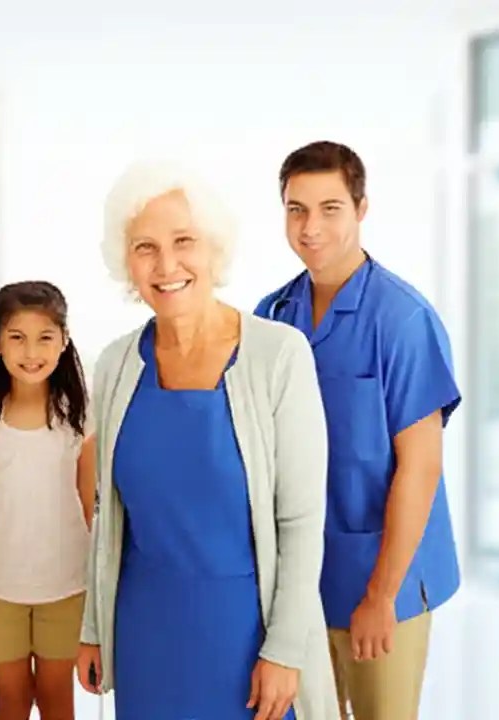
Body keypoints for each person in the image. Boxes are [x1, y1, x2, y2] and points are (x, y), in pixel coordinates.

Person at [76, 160, 339, 720]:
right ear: (126, 262)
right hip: (145, 632)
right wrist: (95, 626)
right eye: (145, 247)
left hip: (245, 635)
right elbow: (109, 515)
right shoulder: (117, 362)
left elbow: (300, 520)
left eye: (184, 241)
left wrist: (287, 649)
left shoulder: (279, 354)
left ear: (214, 248)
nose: (166, 264)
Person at [255, 141, 463, 720]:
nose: (311, 227)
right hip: (301, 583)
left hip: (383, 576)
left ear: (361, 208)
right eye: (296, 209)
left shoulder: (402, 320)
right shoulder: (272, 315)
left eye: (330, 208)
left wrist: (381, 597)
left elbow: (421, 468)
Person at [0, 281, 96, 720]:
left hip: (66, 585)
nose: (32, 351)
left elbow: (89, 504)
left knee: (55, 698)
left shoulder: (80, 418)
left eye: (45, 337)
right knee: (11, 699)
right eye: (17, 337)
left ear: (64, 341)